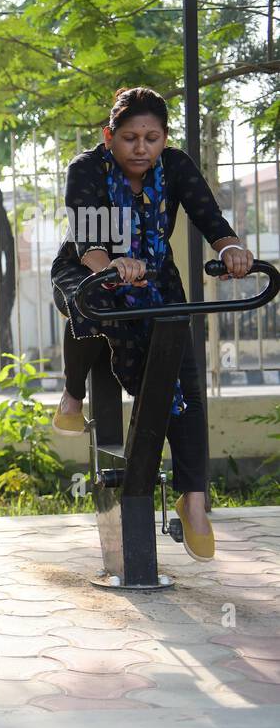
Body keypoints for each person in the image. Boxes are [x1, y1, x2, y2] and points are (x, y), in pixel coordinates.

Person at [51, 86, 255, 562]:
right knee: (91, 303)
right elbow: (88, 241)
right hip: (88, 265)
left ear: (164, 139)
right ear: (109, 136)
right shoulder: (86, 169)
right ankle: (73, 395)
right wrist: (112, 266)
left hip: (155, 274)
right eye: (128, 138)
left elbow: (209, 217)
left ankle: (194, 501)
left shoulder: (176, 165)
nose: (140, 148)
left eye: (151, 138)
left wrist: (230, 250)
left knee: (182, 380)